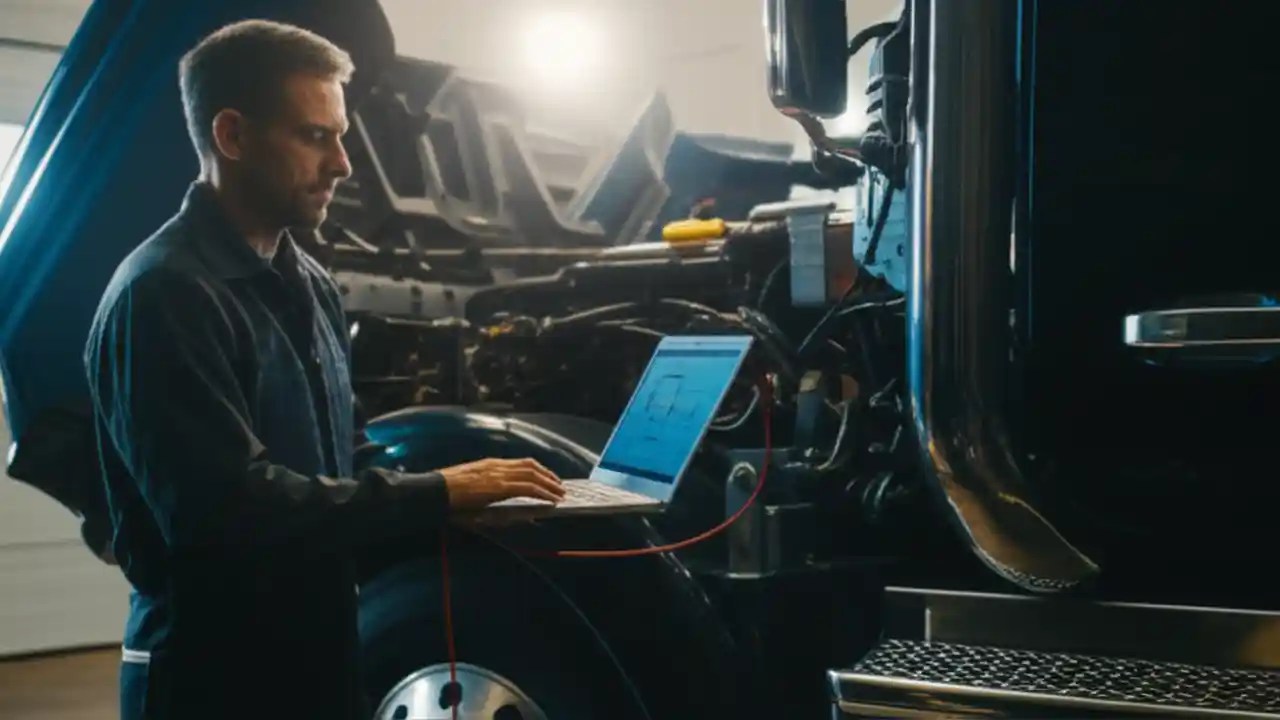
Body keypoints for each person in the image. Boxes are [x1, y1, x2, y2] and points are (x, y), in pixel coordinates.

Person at [83, 19, 565, 720]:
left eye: (340, 135)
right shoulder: (164, 296)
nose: (342, 163)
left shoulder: (306, 281)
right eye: (316, 136)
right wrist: (437, 493)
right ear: (232, 136)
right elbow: (227, 513)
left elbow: (347, 458)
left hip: (318, 667)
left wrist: (480, 504)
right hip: (212, 684)